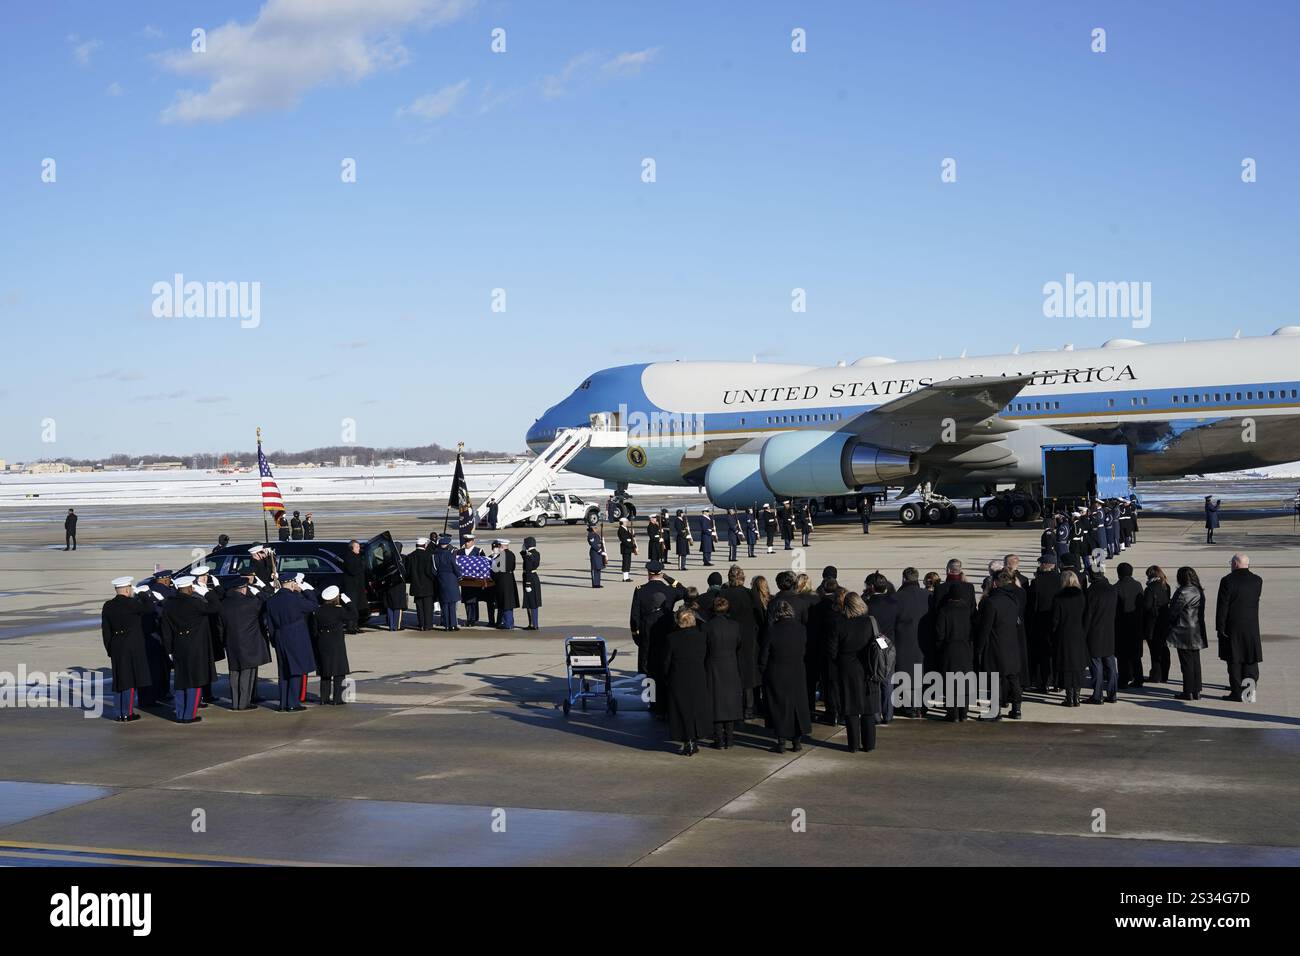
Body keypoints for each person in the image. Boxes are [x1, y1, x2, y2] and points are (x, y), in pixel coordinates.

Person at [629, 561, 687, 715]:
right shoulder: (669, 590)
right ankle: (667, 702)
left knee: (651, 672)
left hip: (648, 635)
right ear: (661, 572)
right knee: (666, 669)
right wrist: (669, 579)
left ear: (648, 573)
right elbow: (685, 591)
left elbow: (635, 617)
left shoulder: (640, 591)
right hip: (667, 633)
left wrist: (636, 636)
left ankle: (654, 704)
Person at [160, 576, 217, 724]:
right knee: (194, 680)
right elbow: (216, 607)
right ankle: (189, 715)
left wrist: (169, 650)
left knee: (180, 680)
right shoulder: (195, 603)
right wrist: (207, 593)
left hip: (178, 644)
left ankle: (180, 713)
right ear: (190, 588)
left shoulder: (169, 604)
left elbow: (165, 629)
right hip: (195, 646)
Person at [760, 601, 811, 752]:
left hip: (777, 671)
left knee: (779, 706)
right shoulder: (801, 629)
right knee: (797, 705)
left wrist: (762, 669)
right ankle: (797, 741)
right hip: (797, 670)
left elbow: (764, 655)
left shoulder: (772, 630)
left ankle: (781, 741)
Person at [829, 592, 877, 750]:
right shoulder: (870, 622)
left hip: (847, 668)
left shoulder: (839, 623)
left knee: (850, 707)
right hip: (868, 667)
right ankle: (869, 744)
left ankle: (854, 744)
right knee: (868, 707)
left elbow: (832, 651)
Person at [101, 576, 153, 722]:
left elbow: (106, 630)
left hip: (116, 644)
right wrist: (143, 594)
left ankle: (119, 712)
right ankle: (127, 713)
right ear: (126, 589)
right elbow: (150, 608)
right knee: (130, 680)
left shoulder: (108, 605)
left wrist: (110, 648)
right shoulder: (132, 604)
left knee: (120, 681)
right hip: (132, 645)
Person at [264, 575, 319, 711]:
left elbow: (270, 624)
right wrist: (305, 591)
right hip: (295, 636)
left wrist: (274, 640)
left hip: (279, 636)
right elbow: (313, 605)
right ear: (291, 583)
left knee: (283, 671)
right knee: (296, 669)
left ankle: (283, 703)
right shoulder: (295, 598)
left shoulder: (271, 601)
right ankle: (293, 703)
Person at [218, 572, 272, 710]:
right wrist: (260, 589)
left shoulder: (224, 604)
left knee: (234, 672)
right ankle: (244, 703)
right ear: (243, 588)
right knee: (247, 673)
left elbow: (220, 626)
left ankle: (235, 702)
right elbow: (266, 600)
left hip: (231, 642)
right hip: (249, 643)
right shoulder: (250, 603)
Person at [975, 570, 1024, 719]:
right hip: (1012, 644)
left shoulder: (992, 602)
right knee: (1013, 677)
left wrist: (979, 648)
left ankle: (995, 712)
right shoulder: (1014, 599)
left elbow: (985, 628)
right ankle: (1016, 710)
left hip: (996, 645)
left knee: (996, 679)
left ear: (996, 583)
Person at [664, 608, 712, 756]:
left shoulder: (671, 638)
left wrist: (666, 677)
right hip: (698, 676)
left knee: (682, 711)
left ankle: (688, 740)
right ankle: (694, 739)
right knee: (696, 709)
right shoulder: (701, 636)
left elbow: (666, 662)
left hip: (679, 678)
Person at [1216, 553, 1263, 701]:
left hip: (1232, 626)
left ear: (1235, 564)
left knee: (1234, 660)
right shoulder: (1257, 580)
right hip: (1251, 627)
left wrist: (1220, 627)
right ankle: (1249, 692)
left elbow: (1222, 607)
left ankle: (1237, 692)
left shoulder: (1227, 581)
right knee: (1250, 659)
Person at [703, 596, 743, 748]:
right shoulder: (735, 626)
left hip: (713, 665)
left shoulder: (708, 626)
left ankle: (719, 739)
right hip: (731, 665)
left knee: (716, 702)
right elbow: (739, 644)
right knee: (730, 702)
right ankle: (730, 738)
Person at [932, 580, 975, 721]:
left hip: (949, 649)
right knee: (965, 681)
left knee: (950, 681)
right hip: (965, 649)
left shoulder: (944, 610)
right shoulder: (968, 611)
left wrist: (940, 647)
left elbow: (939, 633)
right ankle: (964, 713)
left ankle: (953, 713)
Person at [1167, 566, 1208, 700]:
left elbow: (1173, 611)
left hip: (1183, 629)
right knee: (1195, 661)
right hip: (1196, 628)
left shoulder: (1183, 592)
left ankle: (1188, 691)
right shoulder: (1199, 590)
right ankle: (1196, 690)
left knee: (1186, 663)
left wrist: (1168, 623)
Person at [893, 567, 928, 717]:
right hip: (923, 641)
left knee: (906, 675)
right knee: (922, 674)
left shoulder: (897, 597)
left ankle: (909, 707)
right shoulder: (928, 596)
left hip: (903, 640)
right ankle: (921, 705)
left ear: (904, 579)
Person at [312, 585, 355, 705]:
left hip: (322, 642)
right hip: (336, 643)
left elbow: (314, 630)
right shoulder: (338, 610)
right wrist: (348, 601)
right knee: (339, 671)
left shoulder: (318, 610)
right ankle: (338, 699)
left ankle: (324, 698)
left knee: (325, 671)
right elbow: (353, 615)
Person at [865, 573, 899, 723]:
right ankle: (888, 714)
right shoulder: (894, 603)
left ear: (871, 587)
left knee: (874, 681)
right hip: (889, 646)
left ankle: (876, 714)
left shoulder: (867, 604)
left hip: (873, 645)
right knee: (888, 681)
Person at [1051, 570, 1088, 707]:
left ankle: (1069, 697)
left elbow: (1055, 619)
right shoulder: (1081, 596)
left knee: (1066, 666)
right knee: (1077, 666)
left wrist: (1053, 631)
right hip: (1078, 634)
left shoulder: (1059, 598)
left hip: (1064, 634)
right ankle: (1077, 696)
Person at [1083, 560, 1118, 704]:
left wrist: (1083, 633)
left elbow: (1088, 616)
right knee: (1110, 663)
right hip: (1109, 631)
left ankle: (1097, 695)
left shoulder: (1091, 592)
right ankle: (1112, 694)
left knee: (1096, 664)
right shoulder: (1112, 589)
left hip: (1095, 632)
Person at [1026, 553, 1062, 692]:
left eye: (1041, 564)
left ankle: (1044, 682)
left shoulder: (1037, 582)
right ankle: (1057, 682)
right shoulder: (1061, 579)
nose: (1040, 566)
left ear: (1046, 565)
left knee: (1043, 654)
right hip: (1057, 621)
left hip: (1041, 623)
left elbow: (1033, 605)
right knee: (1056, 652)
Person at [1114, 562, 1145, 688]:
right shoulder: (1138, 585)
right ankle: (1138, 678)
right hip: (1136, 624)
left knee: (1122, 656)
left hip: (1121, 625)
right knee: (1136, 655)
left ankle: (1124, 679)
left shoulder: (1116, 587)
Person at [1142, 565, 1172, 682]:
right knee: (1164, 649)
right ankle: (1164, 674)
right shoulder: (1166, 586)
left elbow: (1147, 606)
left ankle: (1155, 675)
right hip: (1164, 621)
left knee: (1154, 651)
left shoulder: (1150, 588)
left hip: (1152, 624)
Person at [457, 533, 489, 626]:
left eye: (469, 541)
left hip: (475, 582)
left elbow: (484, 564)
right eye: (466, 541)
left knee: (474, 600)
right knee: (466, 600)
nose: (467, 543)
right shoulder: (460, 552)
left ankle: (473, 619)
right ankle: (469, 618)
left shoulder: (479, 551)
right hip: (464, 581)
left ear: (473, 541)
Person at [407, 537, 438, 631]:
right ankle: (428, 625)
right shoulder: (428, 555)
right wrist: (434, 580)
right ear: (425, 545)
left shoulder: (410, 556)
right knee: (428, 607)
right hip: (427, 585)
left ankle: (421, 625)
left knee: (419, 607)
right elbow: (429, 571)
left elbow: (408, 572)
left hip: (416, 585)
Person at [434, 535, 461, 630]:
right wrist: (459, 575)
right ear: (446, 545)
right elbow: (455, 567)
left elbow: (434, 569)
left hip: (441, 580)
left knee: (444, 604)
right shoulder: (449, 555)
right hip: (451, 580)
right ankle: (453, 625)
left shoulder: (436, 555)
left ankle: (446, 625)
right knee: (452, 605)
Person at [491, 539, 519, 629]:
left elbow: (495, 570)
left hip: (502, 582)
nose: (498, 548)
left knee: (505, 603)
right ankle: (509, 622)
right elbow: (513, 567)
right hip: (510, 579)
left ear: (501, 546)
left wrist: (493, 578)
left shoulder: (501, 556)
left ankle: (507, 624)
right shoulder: (512, 554)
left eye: (499, 546)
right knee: (509, 603)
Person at [340, 540, 366, 632]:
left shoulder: (356, 556)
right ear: (352, 548)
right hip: (351, 588)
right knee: (352, 607)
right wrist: (361, 563)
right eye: (357, 547)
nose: (359, 549)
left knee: (357, 607)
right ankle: (350, 626)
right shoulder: (349, 557)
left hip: (357, 587)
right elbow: (353, 571)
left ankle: (355, 625)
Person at [383, 543, 407, 631]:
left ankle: (391, 625)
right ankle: (396, 626)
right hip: (399, 585)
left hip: (388, 585)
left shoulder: (386, 559)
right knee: (398, 606)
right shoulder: (403, 558)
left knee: (389, 605)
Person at [521, 536, 542, 630]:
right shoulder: (535, 553)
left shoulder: (529, 555)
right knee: (532, 602)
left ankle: (533, 624)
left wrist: (528, 583)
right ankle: (534, 623)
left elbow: (528, 569)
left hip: (530, 578)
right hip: (534, 578)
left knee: (531, 603)